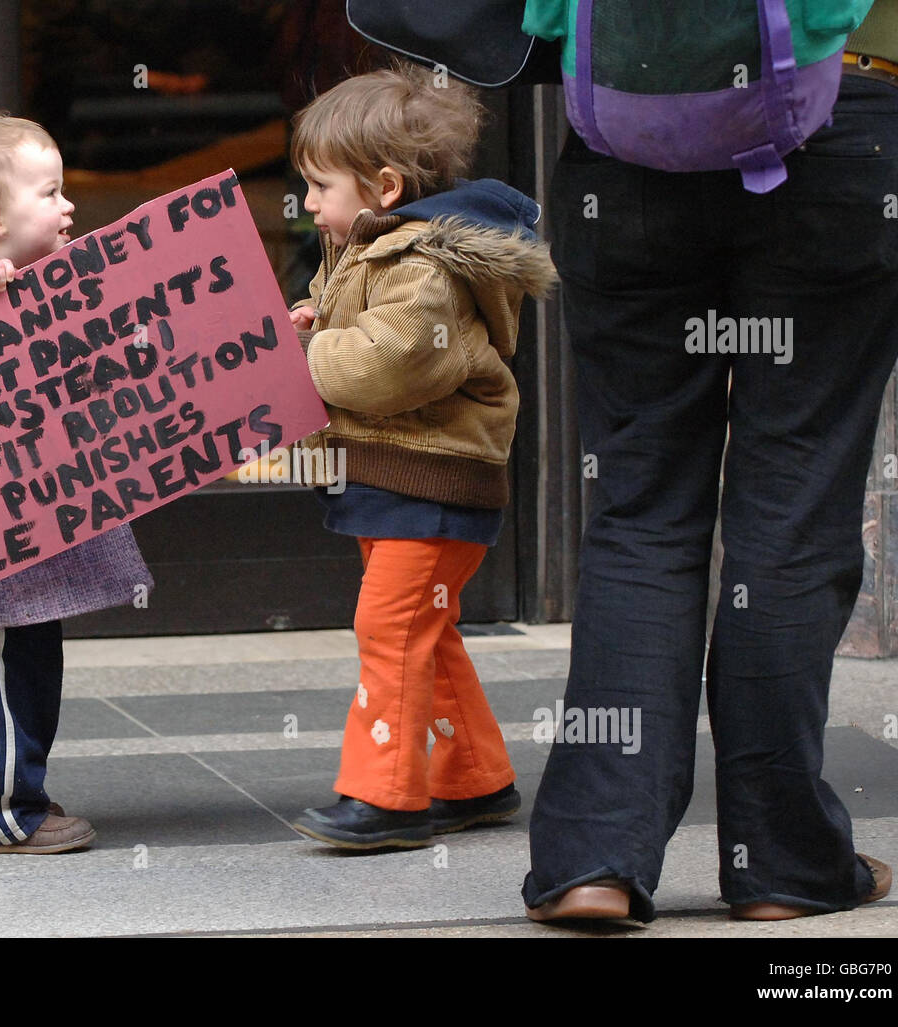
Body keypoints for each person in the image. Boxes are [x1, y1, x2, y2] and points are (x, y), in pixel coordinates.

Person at [521, 0, 898, 921]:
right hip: (844, 126)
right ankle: (783, 865)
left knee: (638, 508)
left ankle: (597, 854)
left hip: (633, 147)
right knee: (794, 503)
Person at [283, 66, 556, 849]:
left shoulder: (422, 265)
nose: (307, 203)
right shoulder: (378, 246)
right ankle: (473, 777)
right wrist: (319, 323)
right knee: (427, 629)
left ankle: (386, 797)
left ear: (386, 186)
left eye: (319, 185)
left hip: (431, 481)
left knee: (389, 628)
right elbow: (364, 337)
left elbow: (392, 360)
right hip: (398, 477)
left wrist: (307, 357)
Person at [0, 114, 154, 854]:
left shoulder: (24, 280)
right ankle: (6, 809)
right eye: (50, 192)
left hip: (12, 547)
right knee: (10, 681)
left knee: (6, 678)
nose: (68, 206)